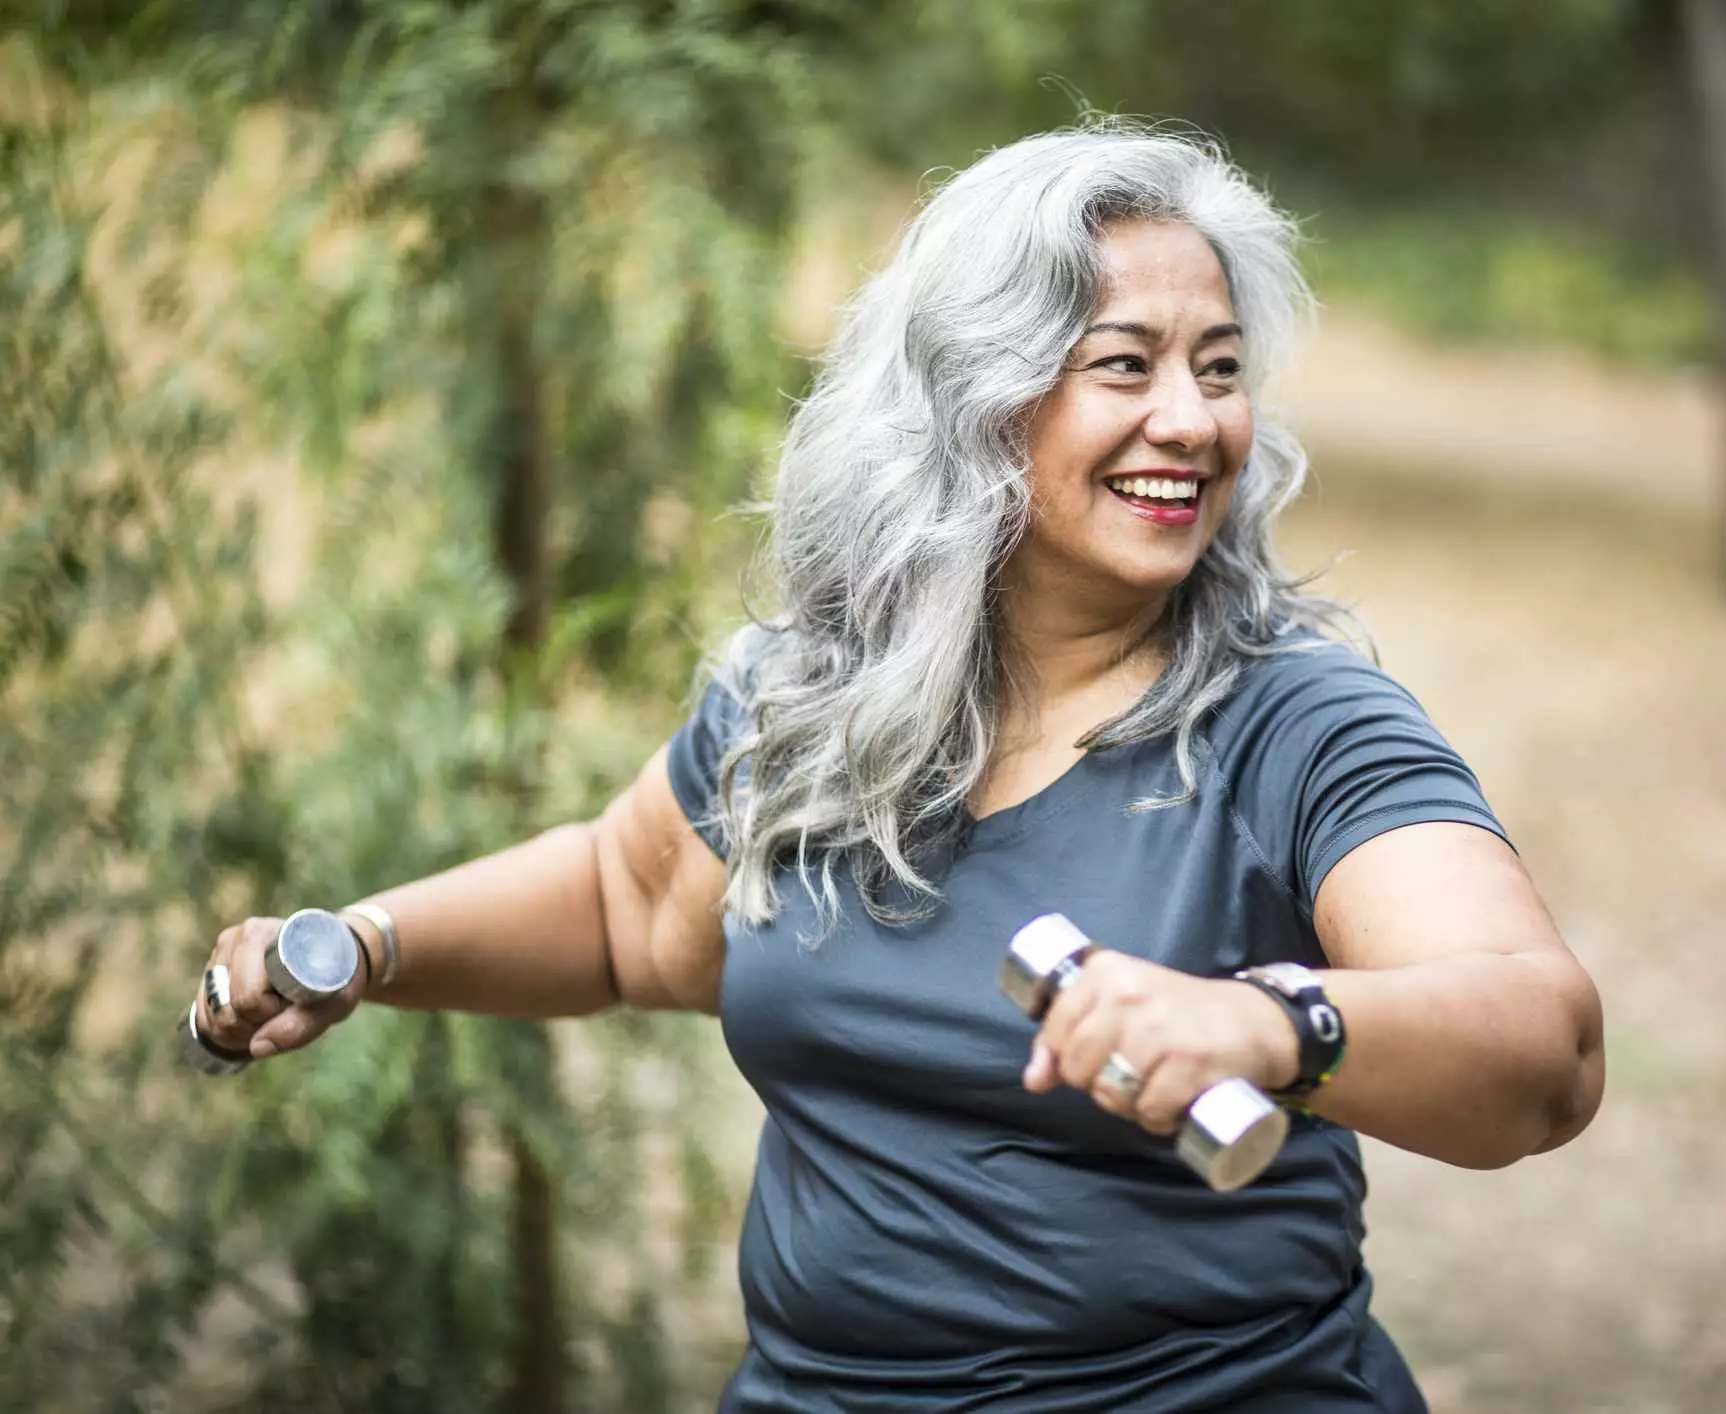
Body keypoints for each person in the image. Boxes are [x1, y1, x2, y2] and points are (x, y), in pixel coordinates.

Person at [189, 122, 1605, 1412]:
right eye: (1127, 363)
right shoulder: (812, 697)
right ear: (977, 401)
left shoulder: (1300, 726)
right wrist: (363, 945)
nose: (1194, 419)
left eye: (1219, 367)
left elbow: (1543, 1048)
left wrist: (1273, 1026)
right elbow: (630, 909)